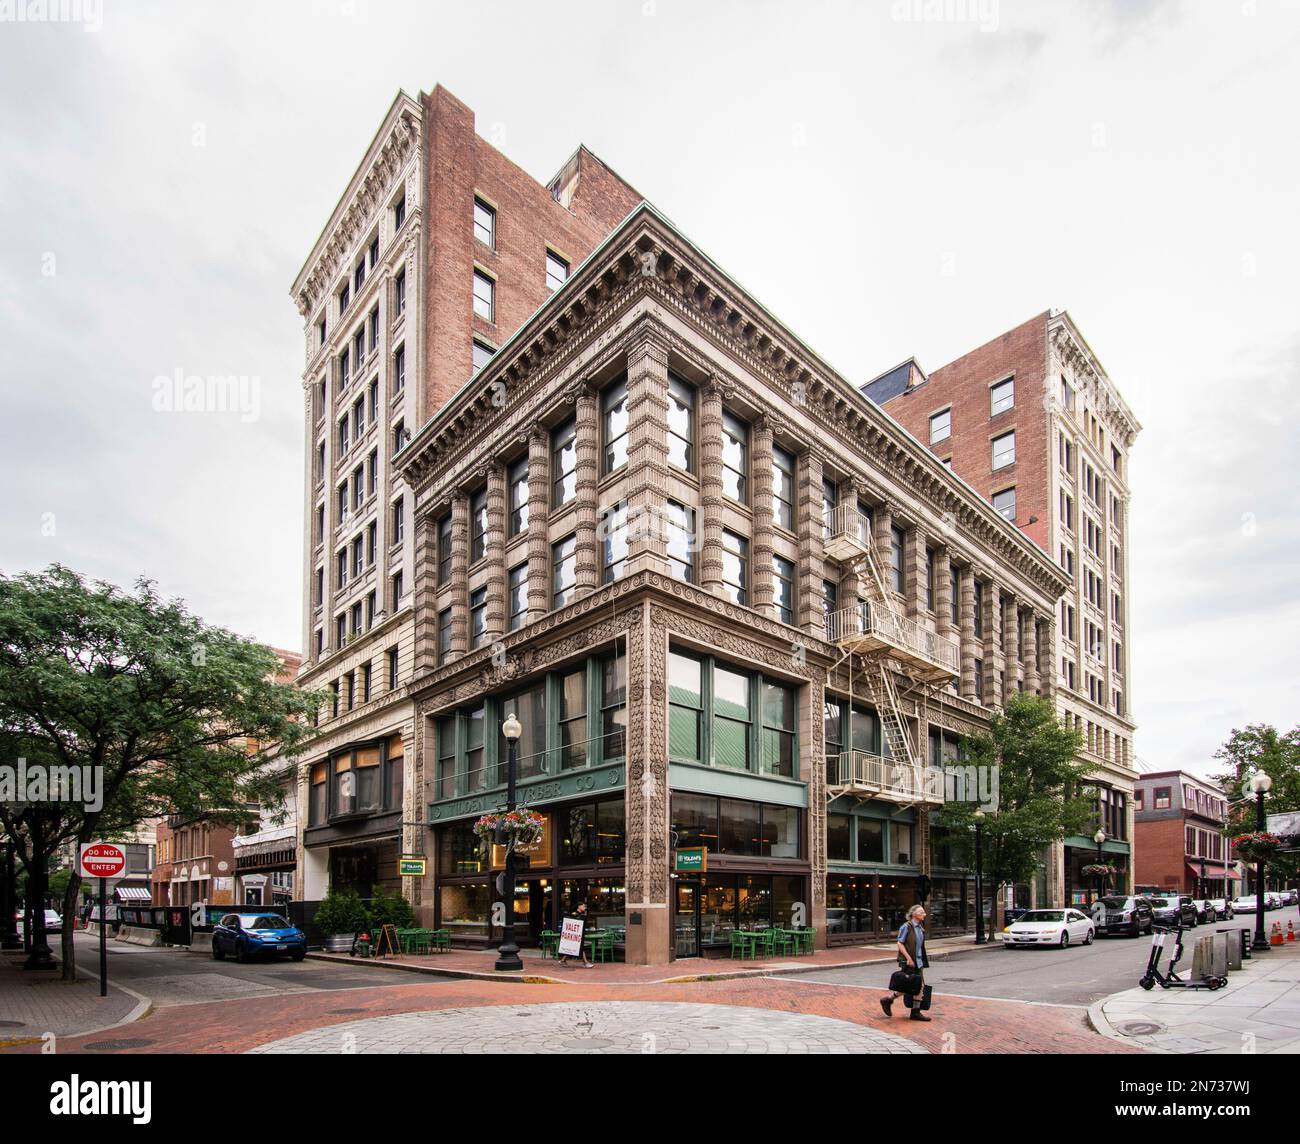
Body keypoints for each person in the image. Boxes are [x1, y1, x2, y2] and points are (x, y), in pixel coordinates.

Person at [880, 904, 931, 1021]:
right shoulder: (906, 927)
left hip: (918, 961)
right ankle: (913, 1011)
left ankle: (890, 1001)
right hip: (909, 961)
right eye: (921, 912)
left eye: (924, 912)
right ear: (914, 914)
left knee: (917, 985)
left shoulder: (920, 927)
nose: (925, 914)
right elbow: (900, 943)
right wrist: (908, 958)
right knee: (911, 985)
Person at [556, 901, 594, 969]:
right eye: (583, 906)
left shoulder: (581, 914)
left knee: (573, 948)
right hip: (576, 935)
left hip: (578, 935)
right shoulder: (574, 914)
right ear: (579, 906)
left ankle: (563, 960)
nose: (584, 907)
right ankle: (585, 963)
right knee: (579, 948)